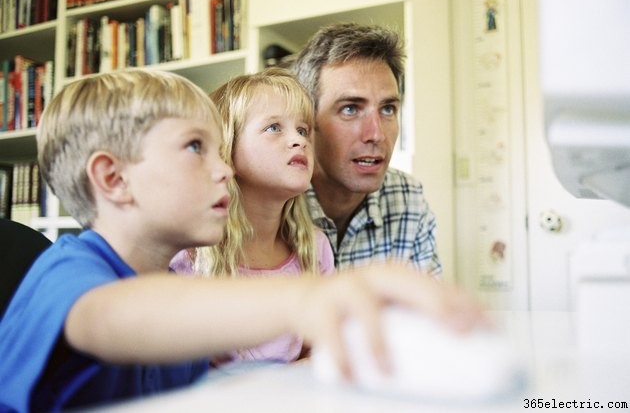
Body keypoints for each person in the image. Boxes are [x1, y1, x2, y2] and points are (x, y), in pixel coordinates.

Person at [0, 70, 483, 411]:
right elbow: (115, 315)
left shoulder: (176, 302)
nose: (226, 169)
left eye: (220, 149)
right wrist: (310, 297)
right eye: (195, 147)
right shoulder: (71, 275)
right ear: (113, 178)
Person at [173, 67, 335, 363]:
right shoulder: (191, 254)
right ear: (227, 150)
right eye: (274, 127)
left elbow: (319, 354)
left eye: (302, 130)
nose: (299, 140)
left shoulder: (316, 248)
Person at [292, 22, 441, 276]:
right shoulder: (270, 202)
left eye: (387, 109)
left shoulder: (408, 199)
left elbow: (426, 313)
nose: (376, 134)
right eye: (350, 109)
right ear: (306, 121)